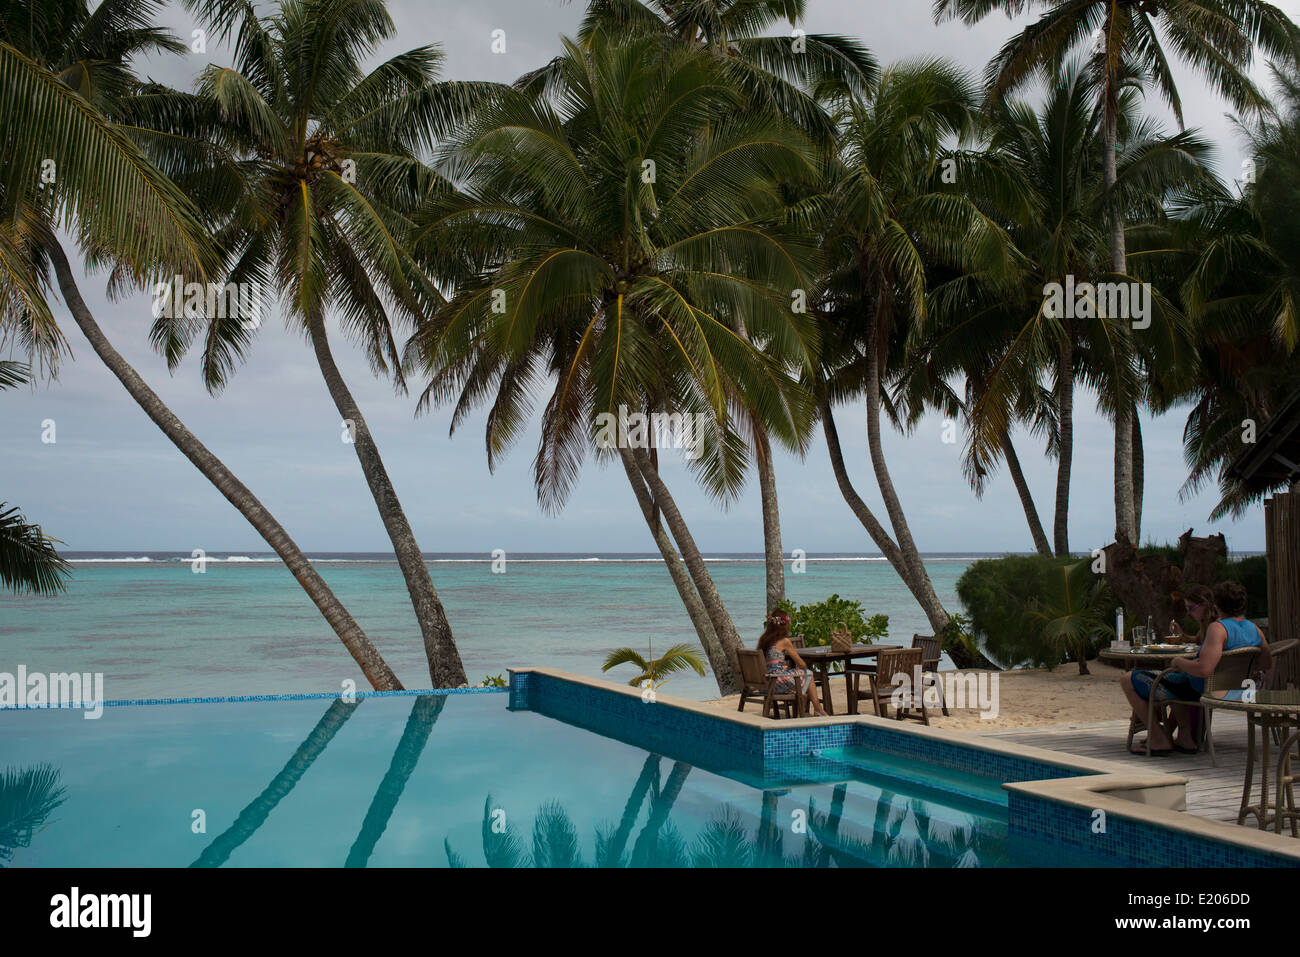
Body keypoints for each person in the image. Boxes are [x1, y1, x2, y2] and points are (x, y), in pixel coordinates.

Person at [1120, 581, 1271, 755]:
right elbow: (1266, 663)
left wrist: (1179, 661)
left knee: (1128, 679)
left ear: (1217, 604)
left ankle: (1159, 739)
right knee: (1171, 680)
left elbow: (1203, 669)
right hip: (1234, 690)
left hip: (1202, 689)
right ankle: (1184, 737)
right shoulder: (1254, 629)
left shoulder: (1218, 628)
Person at [756, 609, 828, 717]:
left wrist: (783, 668)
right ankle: (816, 709)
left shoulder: (764, 639)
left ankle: (805, 712)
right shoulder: (784, 641)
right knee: (808, 673)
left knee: (802, 679)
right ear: (785, 624)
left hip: (766, 683)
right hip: (775, 683)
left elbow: (769, 662)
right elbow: (801, 664)